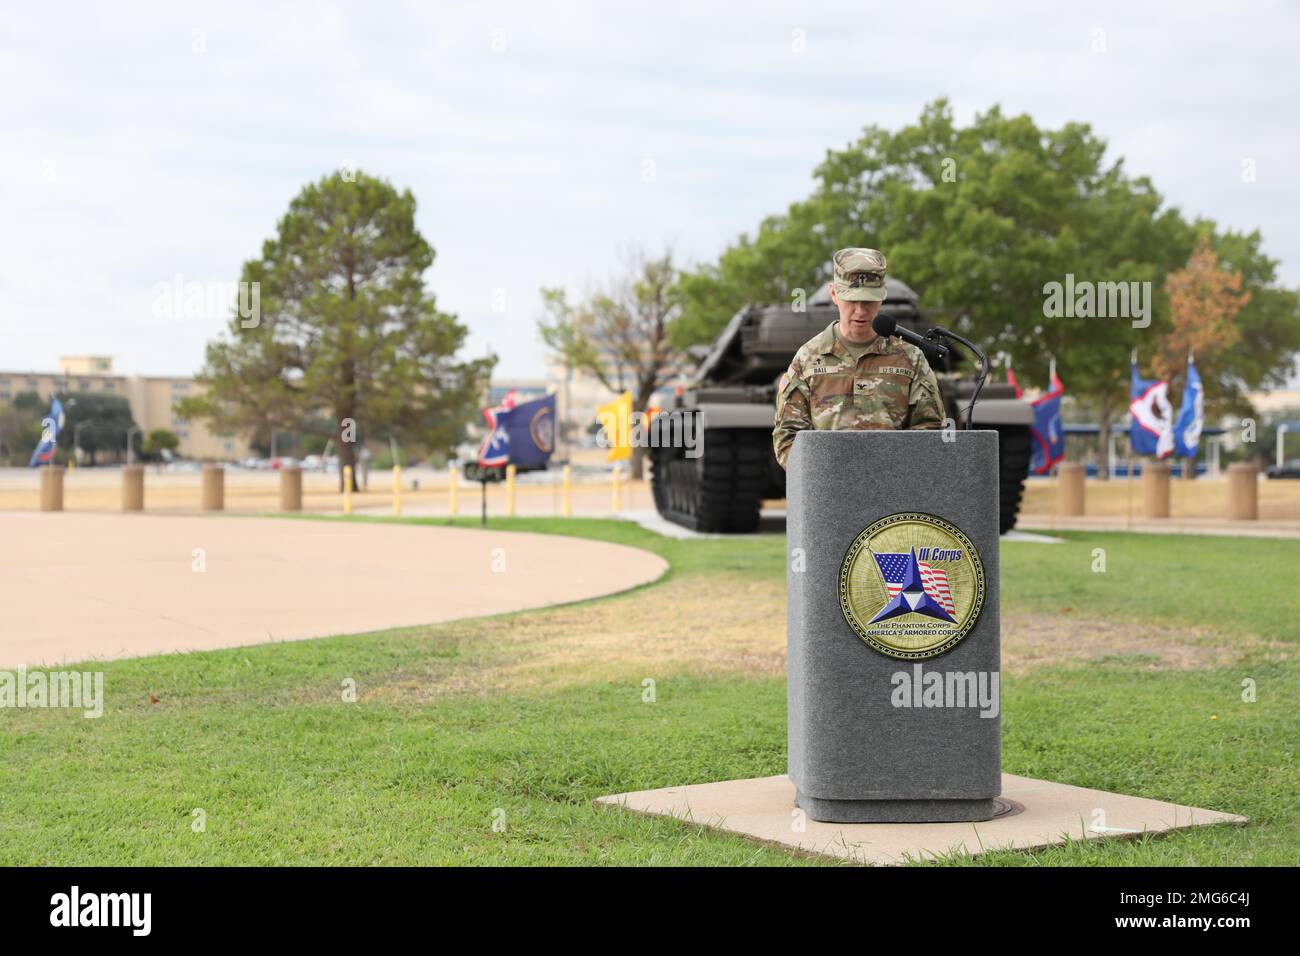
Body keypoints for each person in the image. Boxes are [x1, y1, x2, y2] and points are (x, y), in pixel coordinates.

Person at [773, 247, 946, 470]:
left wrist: (898, 474)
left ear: (882, 296)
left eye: (868, 301)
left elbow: (931, 430)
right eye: (852, 301)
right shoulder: (808, 359)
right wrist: (817, 476)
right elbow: (787, 436)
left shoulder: (910, 359)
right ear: (834, 294)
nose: (860, 311)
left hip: (893, 493)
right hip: (828, 491)